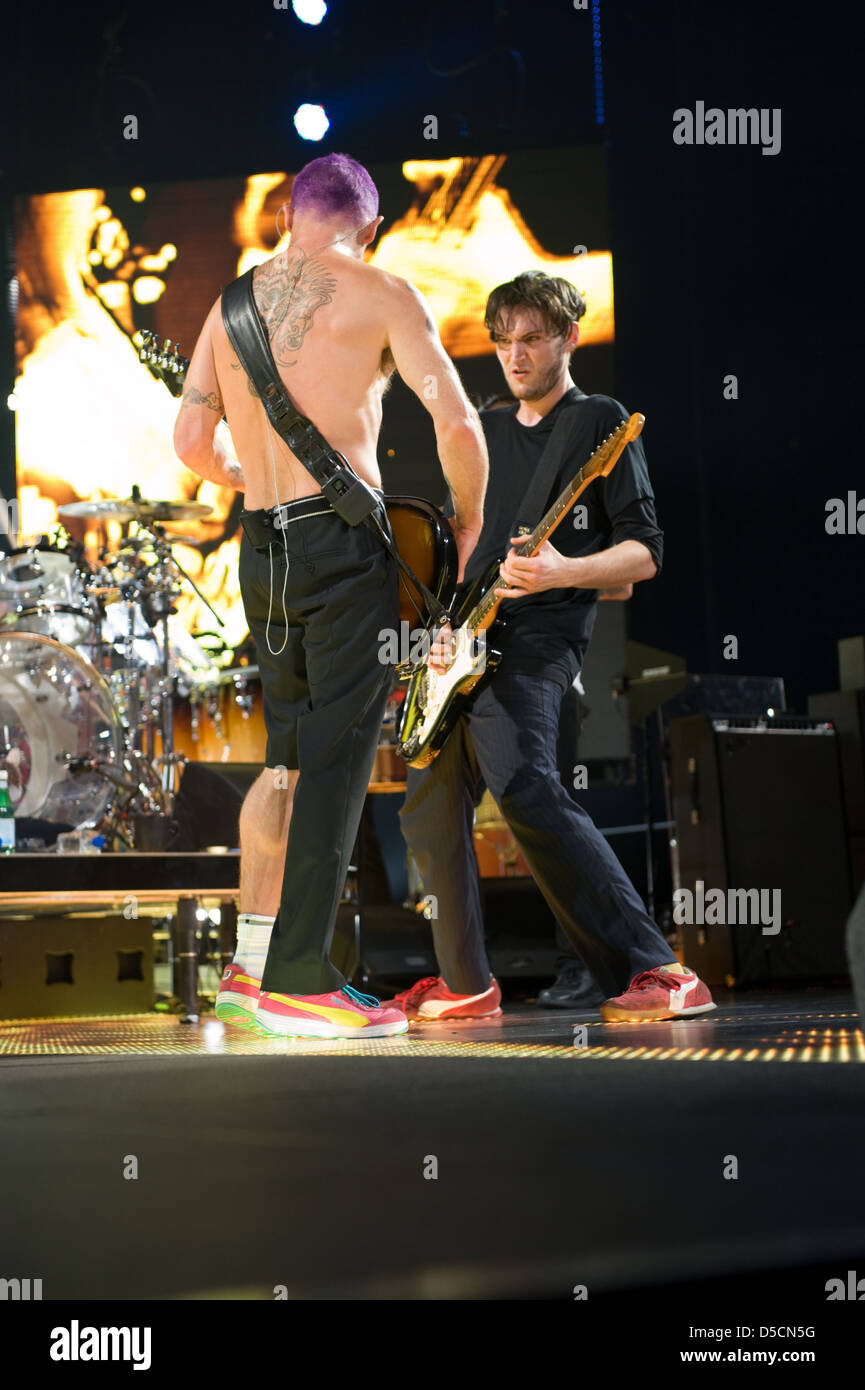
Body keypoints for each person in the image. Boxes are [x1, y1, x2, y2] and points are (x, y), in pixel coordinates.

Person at [173, 153, 488, 1039]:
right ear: (371, 225)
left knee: (286, 758)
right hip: (340, 543)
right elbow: (457, 421)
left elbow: (191, 439)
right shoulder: (382, 289)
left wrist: (247, 475)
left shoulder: (228, 302)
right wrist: (464, 531)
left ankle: (250, 961)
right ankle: (303, 980)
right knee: (342, 758)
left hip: (261, 547)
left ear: (285, 216)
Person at [387, 270, 715, 1025]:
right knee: (428, 811)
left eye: (532, 338)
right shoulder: (489, 430)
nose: (515, 354)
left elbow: (642, 556)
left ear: (568, 337)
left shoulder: (597, 421)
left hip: (536, 646)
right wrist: (440, 626)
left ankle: (659, 968)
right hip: (464, 644)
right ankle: (464, 981)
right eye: (503, 341)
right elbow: (463, 552)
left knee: (526, 785)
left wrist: (567, 570)